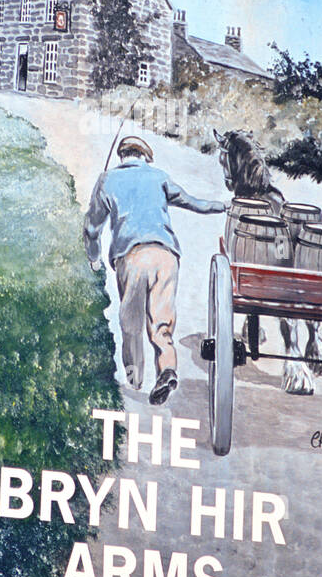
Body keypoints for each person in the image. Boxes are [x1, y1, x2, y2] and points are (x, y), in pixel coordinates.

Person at [84, 134, 227, 404]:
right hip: (165, 255)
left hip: (131, 256)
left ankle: (135, 381)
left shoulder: (107, 180)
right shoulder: (158, 176)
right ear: (145, 156)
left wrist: (94, 258)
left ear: (122, 156)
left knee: (131, 323)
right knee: (161, 324)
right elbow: (192, 202)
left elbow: (92, 227)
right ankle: (167, 369)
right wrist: (221, 206)